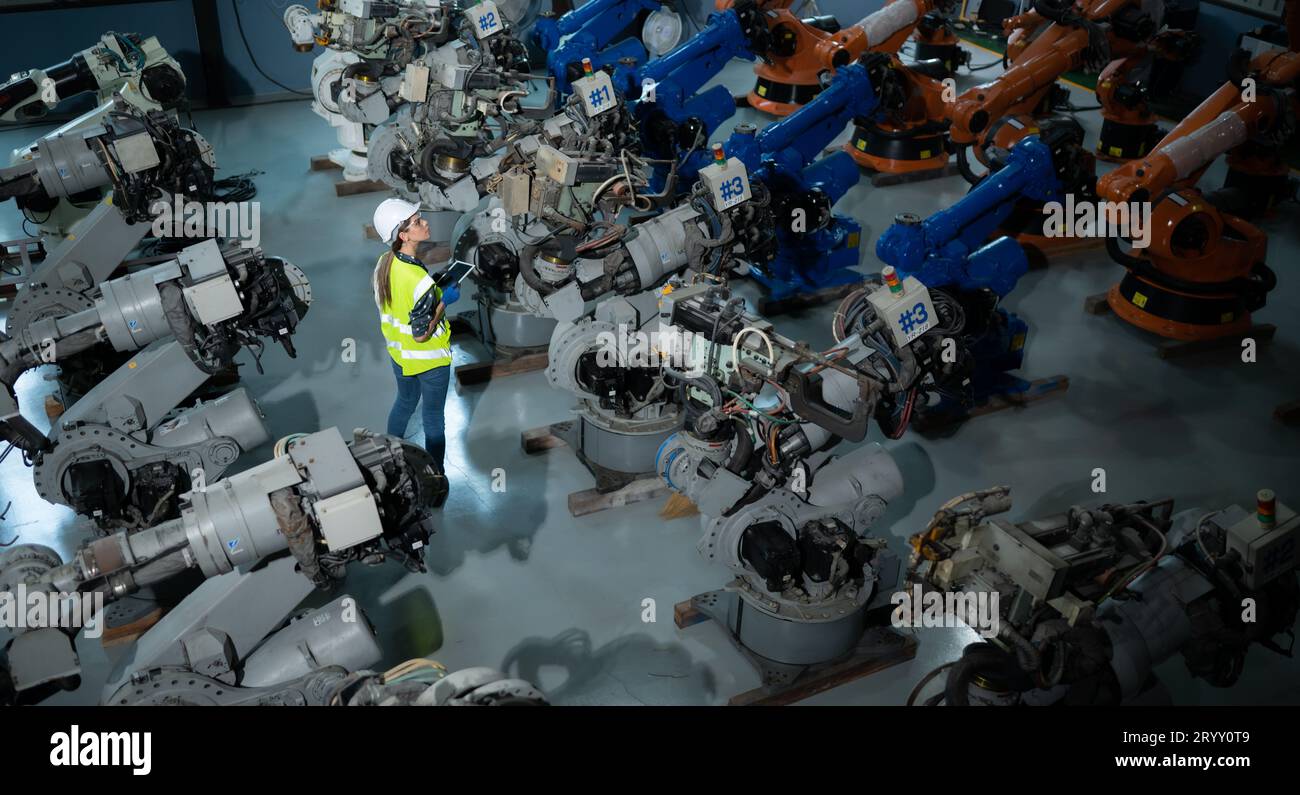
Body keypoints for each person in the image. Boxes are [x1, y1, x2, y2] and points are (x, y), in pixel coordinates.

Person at [371, 198, 461, 502]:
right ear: (404, 235)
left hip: (400, 356)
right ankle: (436, 482)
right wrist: (443, 300)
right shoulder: (418, 279)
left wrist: (432, 292)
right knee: (433, 419)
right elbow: (421, 333)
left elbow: (402, 304)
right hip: (429, 360)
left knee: (405, 402)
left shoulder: (384, 263)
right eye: (417, 222)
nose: (425, 223)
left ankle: (389, 463)